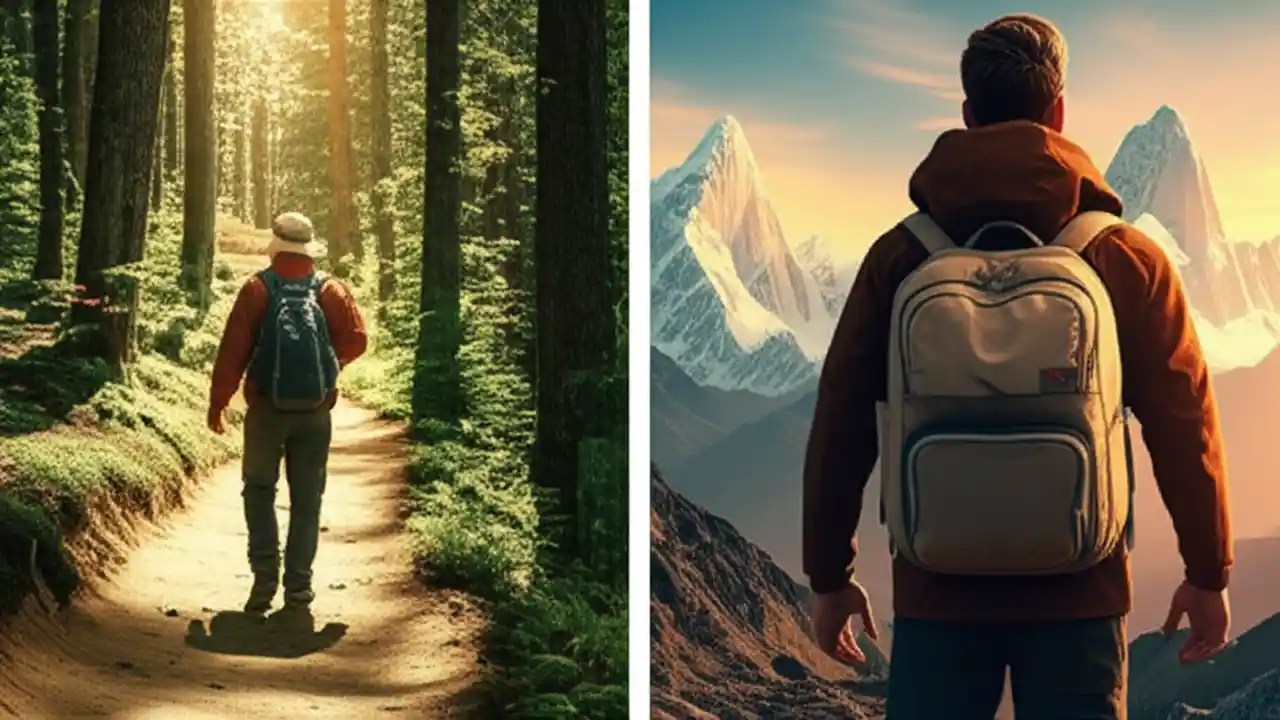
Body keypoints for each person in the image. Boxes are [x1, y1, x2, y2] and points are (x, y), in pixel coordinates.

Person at [802, 14, 1233, 719]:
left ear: (968, 115)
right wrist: (1207, 572)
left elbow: (841, 423)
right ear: (1058, 113)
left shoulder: (901, 256)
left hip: (936, 589)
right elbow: (1187, 423)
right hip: (1081, 590)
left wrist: (830, 576)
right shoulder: (1123, 257)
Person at [207, 211, 368, 614]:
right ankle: (299, 587)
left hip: (265, 411)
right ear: (309, 248)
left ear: (275, 245)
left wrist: (219, 402)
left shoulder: (257, 289)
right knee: (307, 500)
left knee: (259, 491)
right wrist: (327, 369)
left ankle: (264, 581)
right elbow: (358, 340)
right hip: (315, 413)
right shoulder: (330, 290)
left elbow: (233, 353)